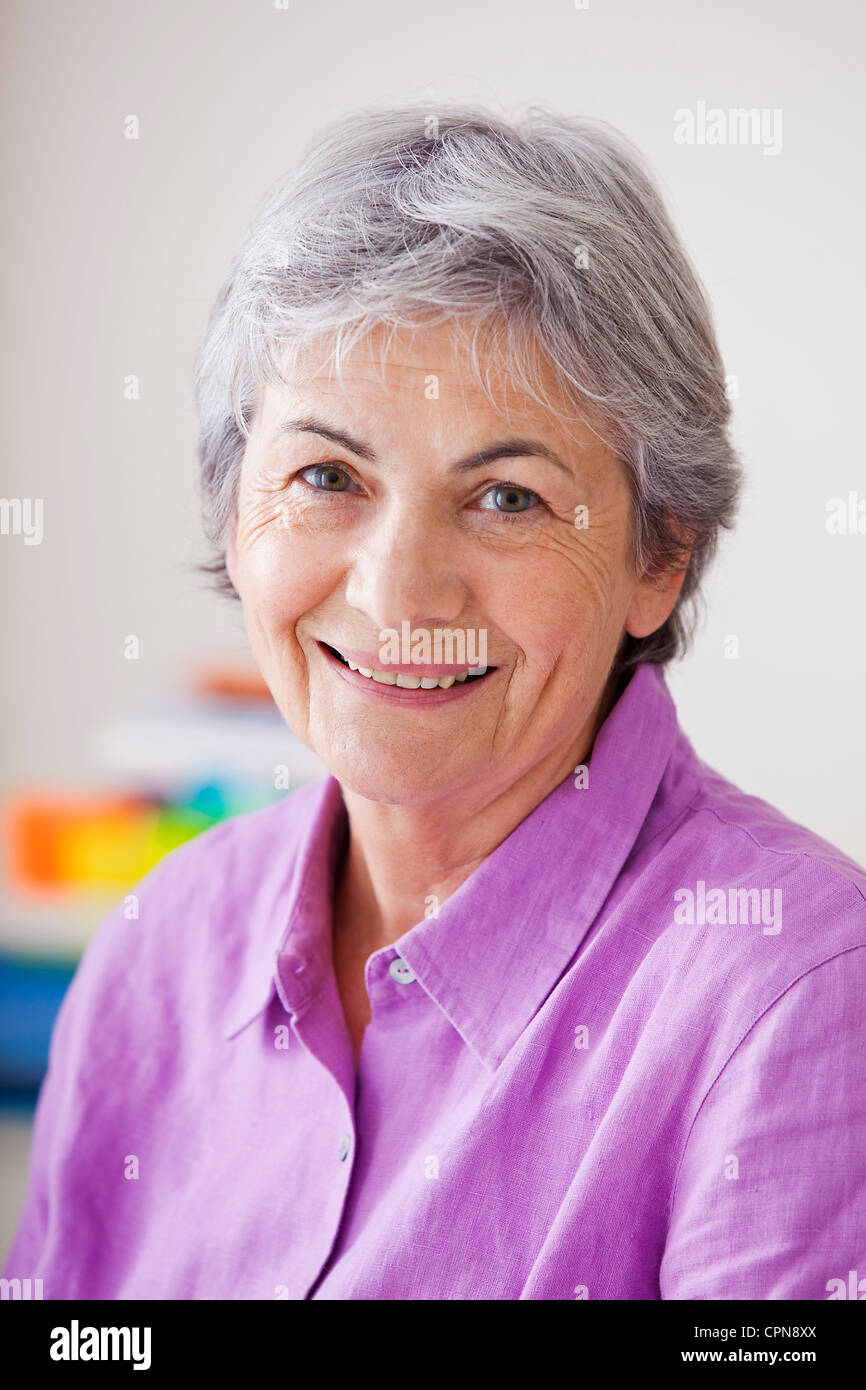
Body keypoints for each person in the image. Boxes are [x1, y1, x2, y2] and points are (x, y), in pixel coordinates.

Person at [4, 100, 864, 1300]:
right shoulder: (160, 949)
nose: (397, 589)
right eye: (324, 475)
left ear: (657, 554)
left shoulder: (803, 993)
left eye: (506, 496)